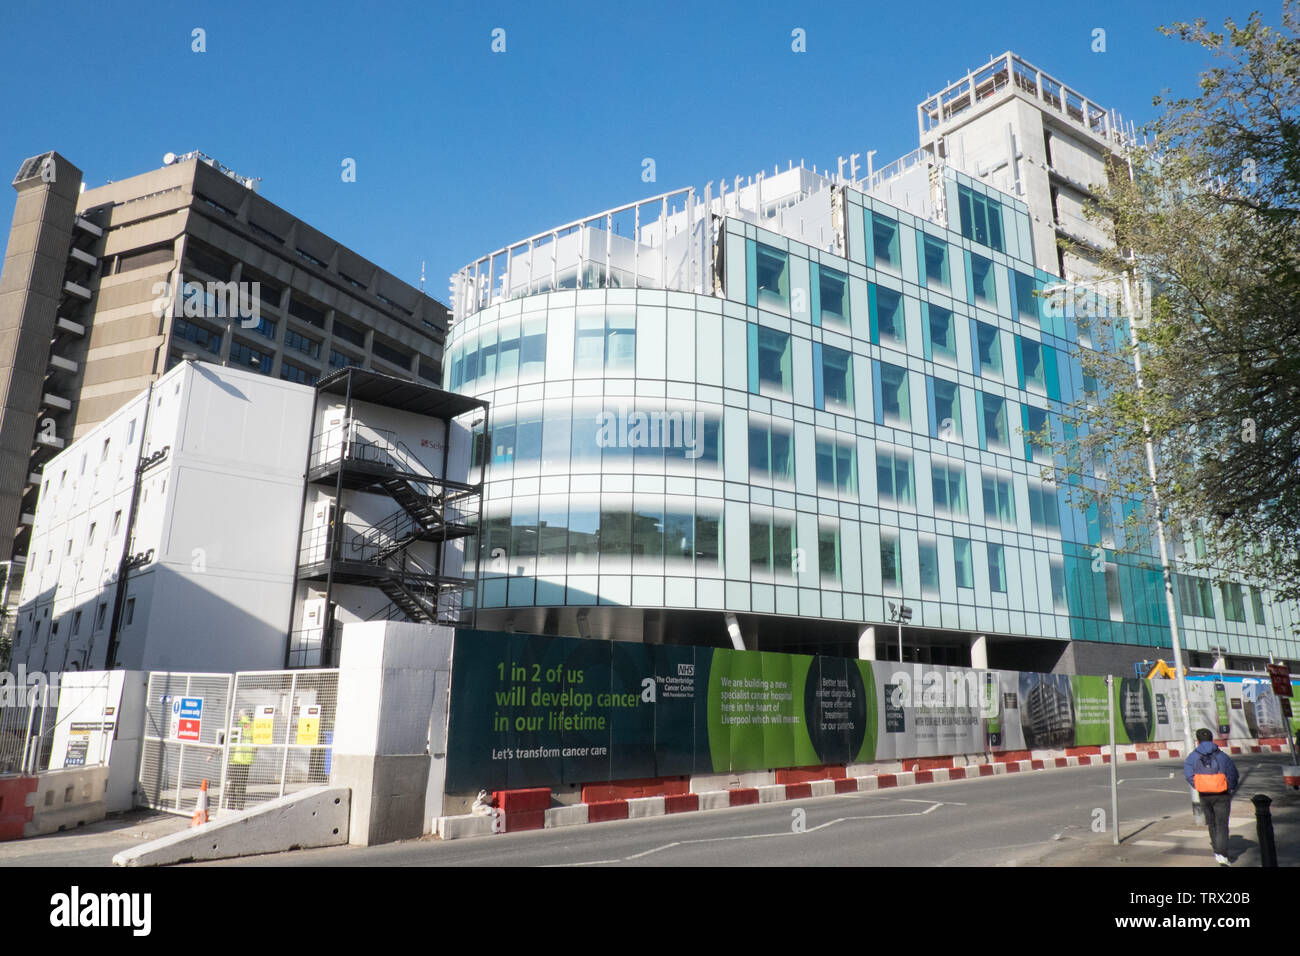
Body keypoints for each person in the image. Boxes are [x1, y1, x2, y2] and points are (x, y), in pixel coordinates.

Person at [1183, 727, 1239, 866]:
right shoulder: (1222, 755)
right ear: (1212, 739)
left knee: (1212, 823)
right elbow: (1233, 774)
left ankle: (1216, 850)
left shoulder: (1193, 756)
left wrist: (1198, 785)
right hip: (1222, 794)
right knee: (1222, 824)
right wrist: (1229, 787)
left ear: (1198, 741)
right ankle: (1222, 854)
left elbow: (1188, 774)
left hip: (1204, 794)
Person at [226, 709, 255, 811]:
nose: (238, 716)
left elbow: (229, 738)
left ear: (241, 715)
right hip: (246, 760)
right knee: (242, 786)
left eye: (238, 714)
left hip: (235, 759)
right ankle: (240, 808)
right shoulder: (253, 726)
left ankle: (230, 807)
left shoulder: (238, 724)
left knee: (232, 785)